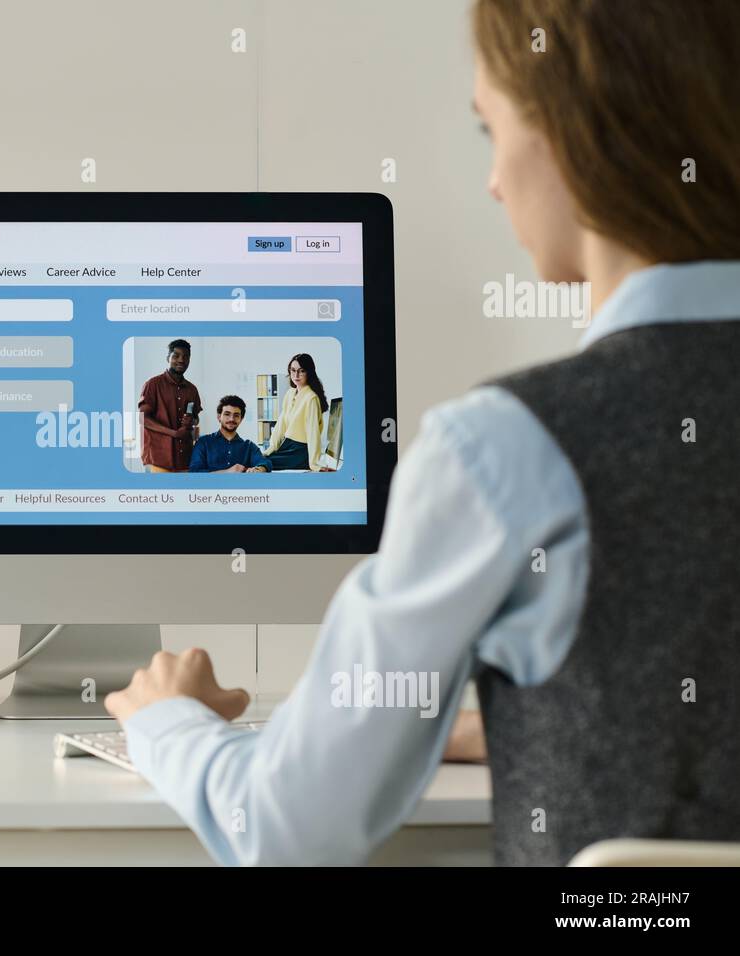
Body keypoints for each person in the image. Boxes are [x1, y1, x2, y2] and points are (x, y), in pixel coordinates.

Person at [106, 0, 740, 866]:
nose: (492, 180)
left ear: (572, 132)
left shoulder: (510, 447)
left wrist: (166, 720)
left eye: (491, 130)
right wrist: (511, 724)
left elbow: (288, 830)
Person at [137, 339, 201, 472]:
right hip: (159, 459)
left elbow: (196, 419)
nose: (181, 360)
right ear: (168, 358)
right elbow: (142, 418)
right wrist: (174, 433)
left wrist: (192, 421)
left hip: (185, 459)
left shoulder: (192, 389)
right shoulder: (153, 385)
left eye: (186, 356)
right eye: (176, 355)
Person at [265, 353, 327, 471]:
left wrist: (314, 464)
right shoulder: (290, 393)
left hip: (300, 451)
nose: (296, 375)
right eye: (293, 370)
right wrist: (271, 448)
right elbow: (281, 424)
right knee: (259, 458)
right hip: (288, 445)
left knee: (263, 463)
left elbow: (313, 432)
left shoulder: (311, 398)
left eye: (301, 371)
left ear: (309, 372)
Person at [188, 396, 271, 474]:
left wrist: (259, 470)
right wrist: (227, 472)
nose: (231, 419)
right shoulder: (203, 442)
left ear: (241, 419)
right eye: (227, 414)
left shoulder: (249, 446)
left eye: (236, 415)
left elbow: (265, 463)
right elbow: (195, 472)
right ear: (219, 417)